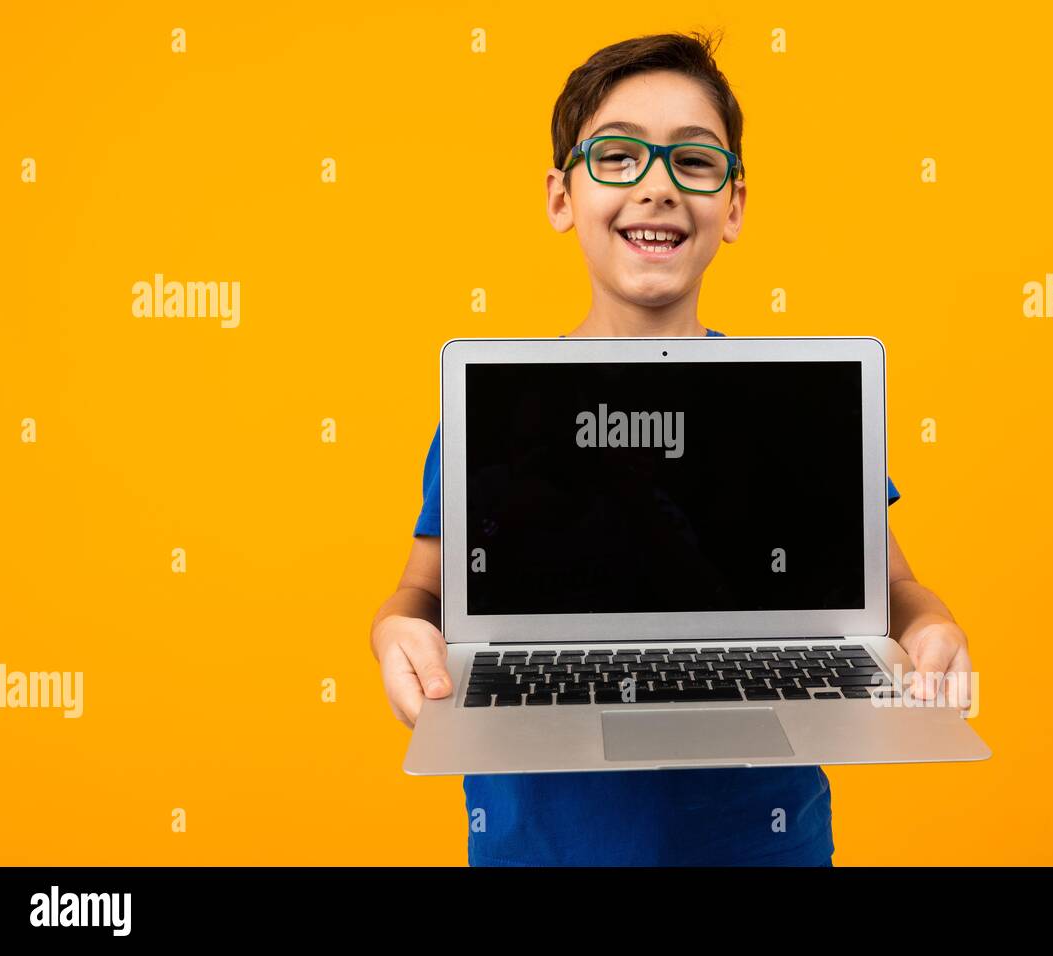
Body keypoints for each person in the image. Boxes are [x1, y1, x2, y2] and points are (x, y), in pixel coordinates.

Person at [369, 30, 973, 866]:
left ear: (733, 207)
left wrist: (932, 625)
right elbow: (420, 594)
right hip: (538, 851)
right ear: (560, 197)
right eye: (619, 156)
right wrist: (394, 632)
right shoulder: (493, 412)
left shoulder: (798, 412)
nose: (656, 186)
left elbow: (895, 586)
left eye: (693, 162)